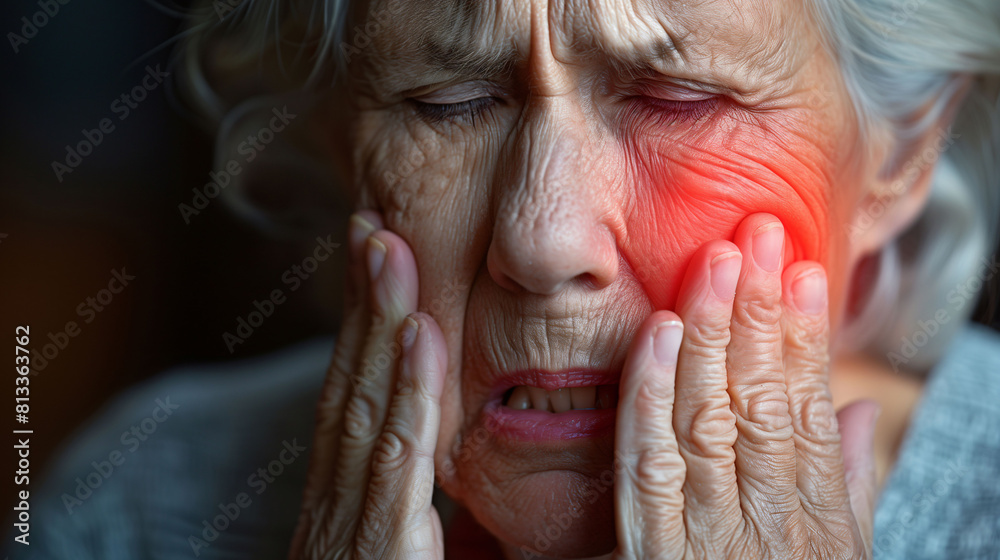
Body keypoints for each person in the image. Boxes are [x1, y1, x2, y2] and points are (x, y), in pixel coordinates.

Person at [22, 0, 1000, 558]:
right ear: (339, 146)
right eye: (447, 103)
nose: (539, 238)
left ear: (898, 153)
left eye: (677, 98)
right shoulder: (134, 504)